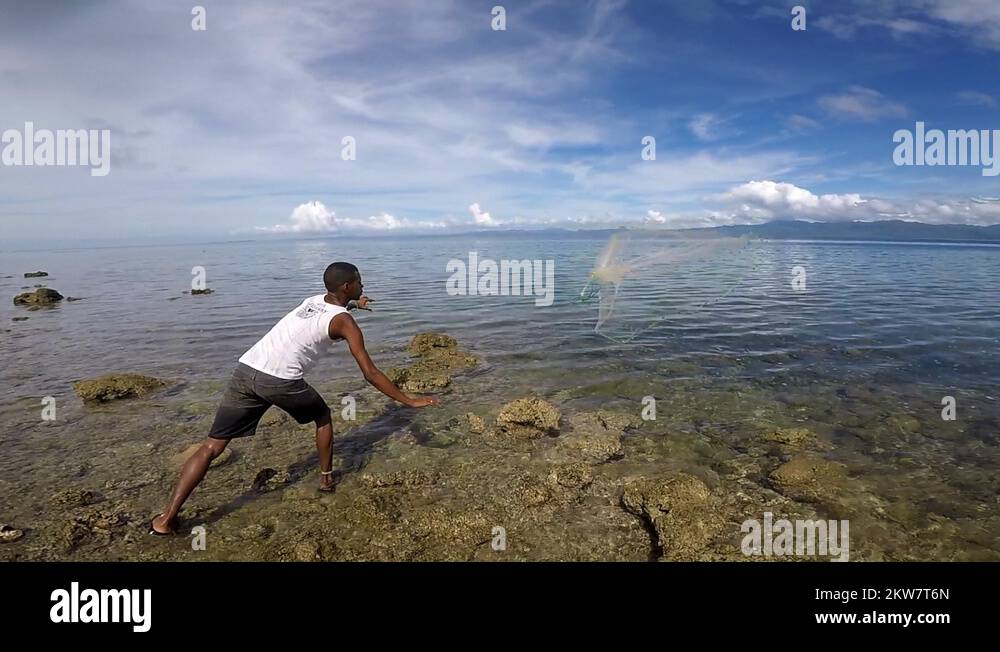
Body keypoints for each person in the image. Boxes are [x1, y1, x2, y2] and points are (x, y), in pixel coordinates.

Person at [149, 262, 438, 535]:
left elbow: (329, 310)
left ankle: (166, 518)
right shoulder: (345, 323)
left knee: (212, 446)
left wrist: (355, 304)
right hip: (279, 380)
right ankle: (326, 480)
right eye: (360, 282)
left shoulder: (312, 300)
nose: (364, 285)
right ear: (348, 285)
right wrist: (408, 400)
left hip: (247, 369)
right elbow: (370, 373)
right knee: (323, 417)